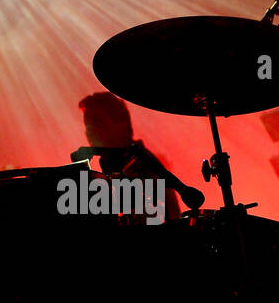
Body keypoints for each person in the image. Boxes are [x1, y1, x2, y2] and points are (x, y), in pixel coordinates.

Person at [70, 92, 204, 219]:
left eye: (97, 122)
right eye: (87, 126)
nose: (90, 131)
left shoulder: (139, 166)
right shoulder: (113, 161)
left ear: (122, 123)